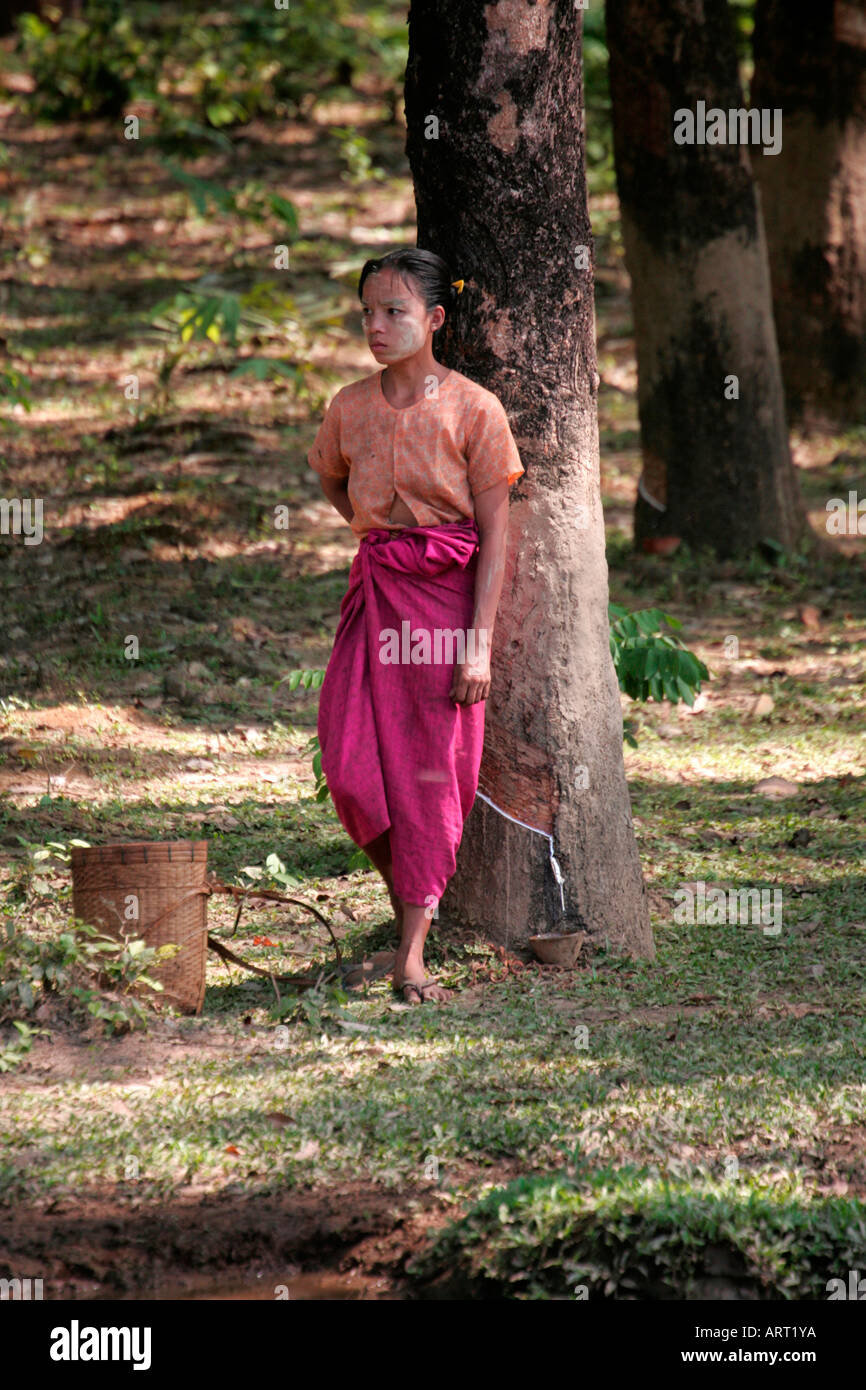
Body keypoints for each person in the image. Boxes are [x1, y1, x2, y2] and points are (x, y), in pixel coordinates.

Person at [307, 247, 524, 1003]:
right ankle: (406, 912)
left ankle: (412, 955)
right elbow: (333, 479)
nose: (376, 324)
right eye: (368, 311)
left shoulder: (475, 409)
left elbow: (498, 532)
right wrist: (383, 541)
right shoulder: (348, 405)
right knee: (350, 763)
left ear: (433, 320)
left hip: (445, 611)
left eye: (393, 311)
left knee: (432, 779)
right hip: (375, 598)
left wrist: (480, 642)